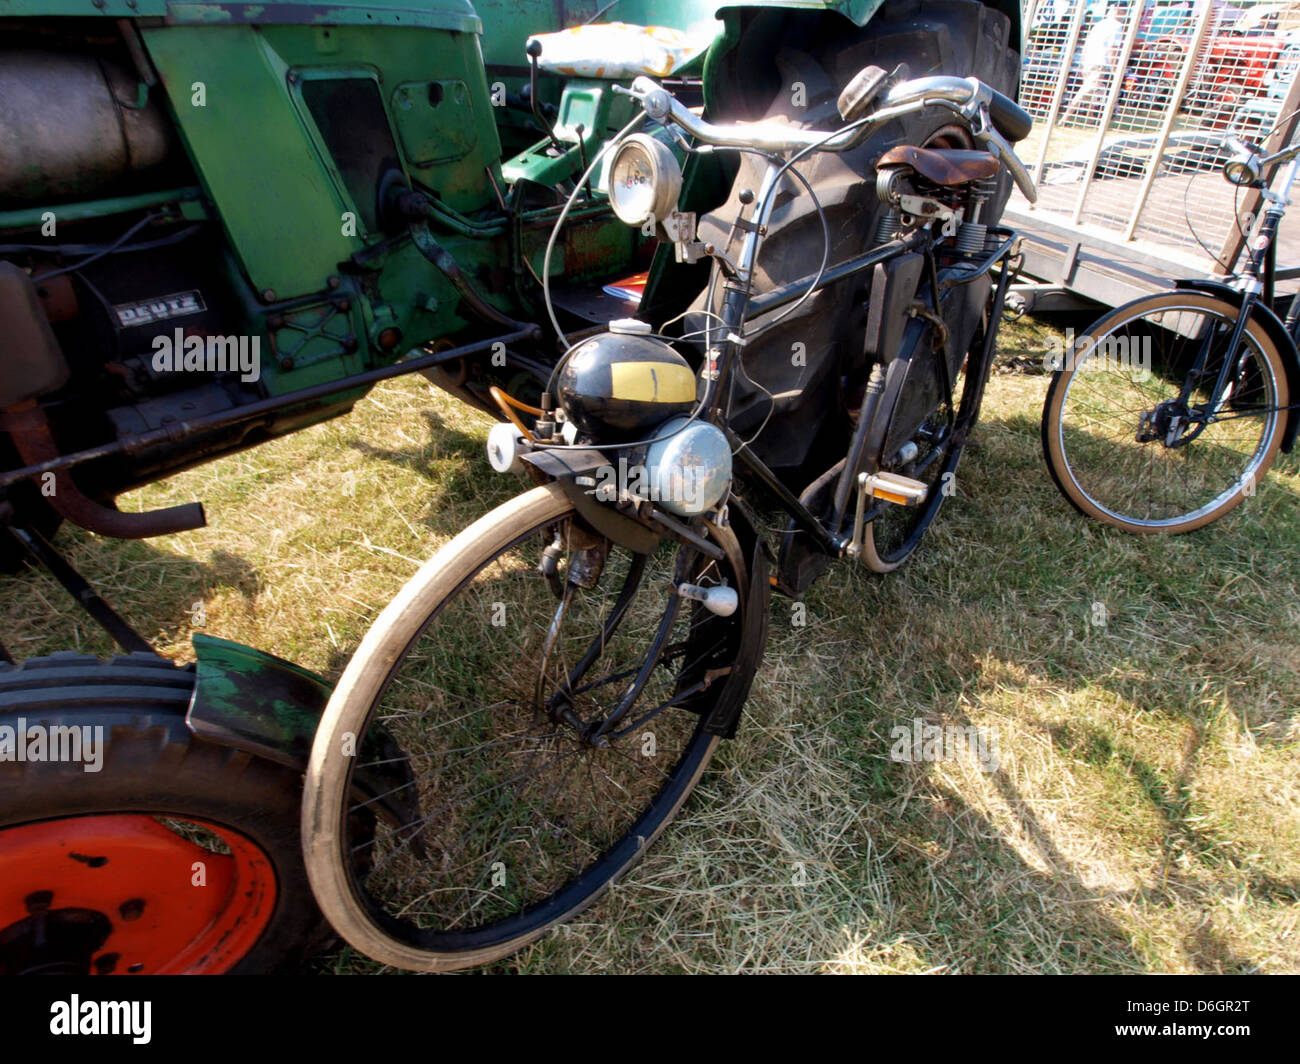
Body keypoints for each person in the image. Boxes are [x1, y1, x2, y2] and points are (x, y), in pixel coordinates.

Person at [1060, 2, 1127, 127]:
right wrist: (1114, 69)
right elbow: (1112, 49)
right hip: (1100, 64)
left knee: (1092, 91)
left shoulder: (1098, 25)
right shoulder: (1117, 26)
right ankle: (1065, 118)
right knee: (1085, 92)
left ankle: (1091, 119)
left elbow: (1086, 44)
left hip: (1088, 62)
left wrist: (1082, 62)